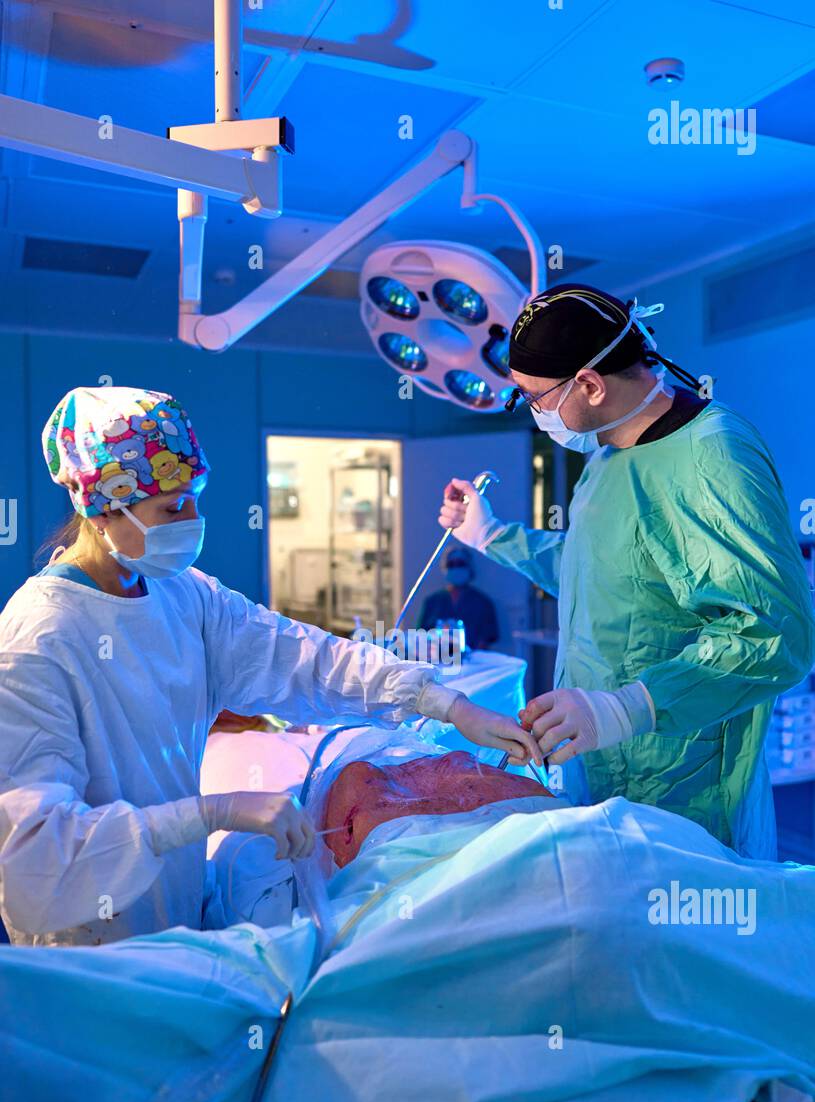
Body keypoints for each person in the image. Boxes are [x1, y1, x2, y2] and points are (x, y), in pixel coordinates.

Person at [0, 387, 539, 947]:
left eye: (196, 498)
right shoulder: (40, 636)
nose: (191, 520)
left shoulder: (183, 597)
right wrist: (214, 813)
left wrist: (446, 704)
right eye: (171, 508)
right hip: (87, 944)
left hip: (179, 911)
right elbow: (36, 849)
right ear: (101, 506)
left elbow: (307, 658)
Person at [439, 284, 815, 861]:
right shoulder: (609, 455)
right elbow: (598, 574)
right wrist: (490, 535)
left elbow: (775, 634)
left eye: (534, 398)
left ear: (589, 385)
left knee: (682, 935)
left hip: (684, 784)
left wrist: (628, 707)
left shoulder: (713, 457)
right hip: (602, 764)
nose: (535, 413)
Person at [418, 546, 499, 651]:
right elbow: (421, 634)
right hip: (438, 660)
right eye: (451, 564)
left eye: (460, 564)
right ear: (445, 568)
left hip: (473, 661)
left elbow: (488, 637)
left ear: (469, 567)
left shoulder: (483, 603)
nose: (456, 568)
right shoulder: (432, 601)